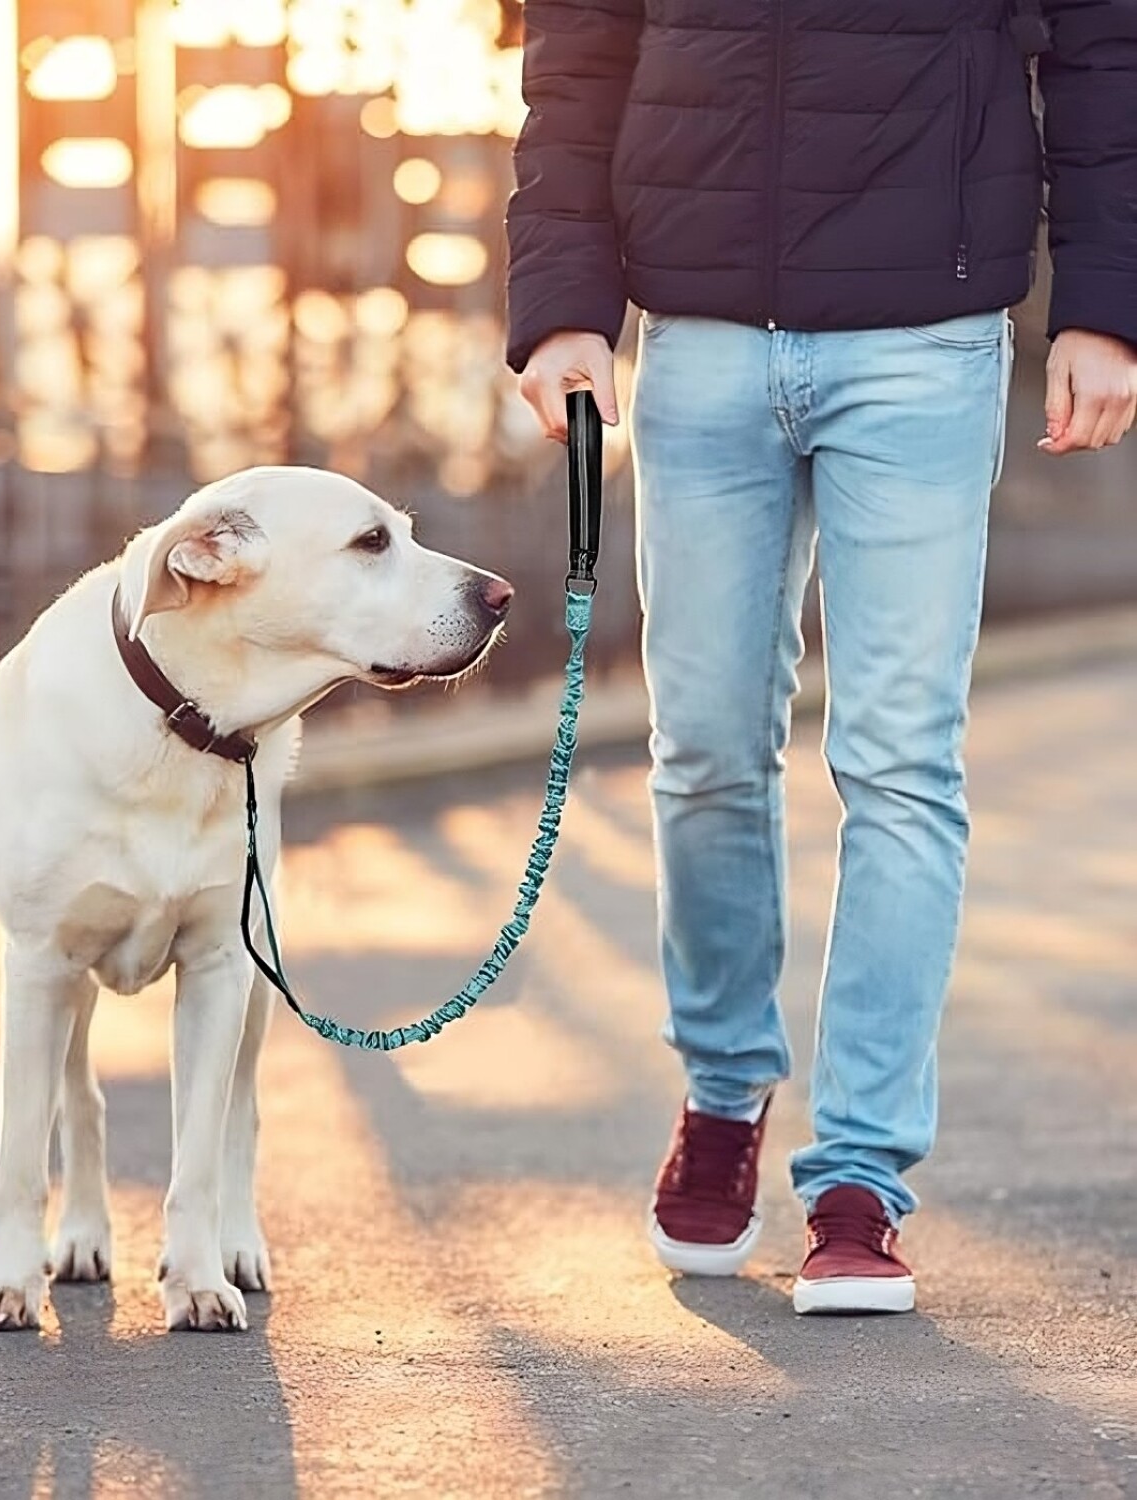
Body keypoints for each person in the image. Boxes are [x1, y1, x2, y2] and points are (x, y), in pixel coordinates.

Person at [507, 0, 1137, 1314]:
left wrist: (1109, 306)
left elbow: (1102, 47)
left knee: (901, 762)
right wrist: (563, 301)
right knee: (705, 751)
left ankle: (858, 1182)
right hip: (700, 338)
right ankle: (725, 1089)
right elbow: (577, 51)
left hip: (927, 337)